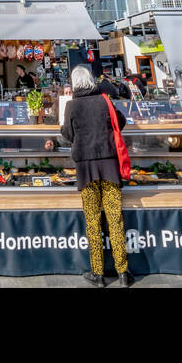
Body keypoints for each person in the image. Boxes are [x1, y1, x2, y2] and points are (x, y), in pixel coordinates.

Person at [60, 64, 131, 287]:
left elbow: (68, 134)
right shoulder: (104, 100)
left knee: (92, 221)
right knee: (115, 219)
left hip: (86, 168)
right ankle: (123, 273)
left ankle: (98, 275)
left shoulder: (71, 105)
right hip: (109, 164)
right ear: (91, 80)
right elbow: (120, 122)